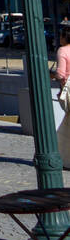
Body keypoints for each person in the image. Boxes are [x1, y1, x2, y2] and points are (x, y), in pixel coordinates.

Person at [54, 28, 70, 168]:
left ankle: (65, 158)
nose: (59, 38)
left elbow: (60, 74)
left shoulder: (63, 50)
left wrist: (52, 75)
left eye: (61, 35)